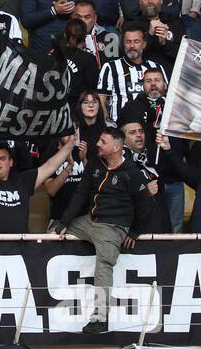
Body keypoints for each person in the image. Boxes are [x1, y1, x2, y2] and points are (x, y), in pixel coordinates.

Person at [55, 126, 152, 332]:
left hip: (113, 227)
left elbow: (146, 205)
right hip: (88, 221)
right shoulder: (95, 164)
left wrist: (134, 232)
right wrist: (64, 222)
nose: (98, 144)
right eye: (99, 140)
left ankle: (100, 319)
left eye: (103, 142)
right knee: (53, 232)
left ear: (117, 147)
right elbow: (80, 193)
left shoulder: (133, 174)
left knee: (103, 266)